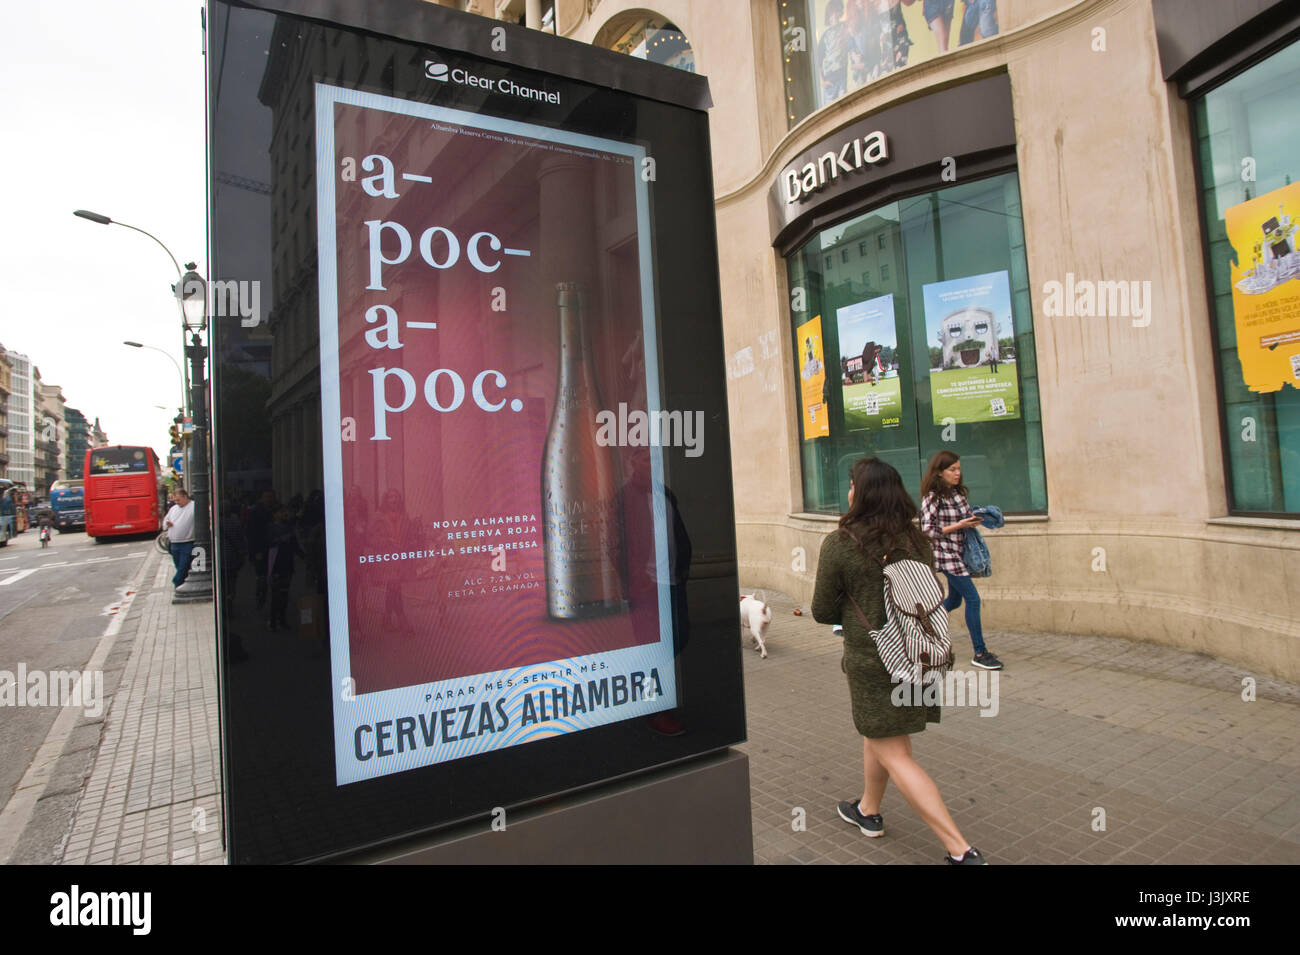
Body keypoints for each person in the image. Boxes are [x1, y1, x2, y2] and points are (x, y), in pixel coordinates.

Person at [813, 457, 987, 864]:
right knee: (884, 737)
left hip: (876, 662)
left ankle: (960, 851)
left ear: (862, 492)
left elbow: (821, 610)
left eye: (852, 484)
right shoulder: (915, 539)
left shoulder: (840, 543)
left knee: (895, 752)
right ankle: (868, 810)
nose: (850, 490)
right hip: (919, 656)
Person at [920, 451, 1003, 669]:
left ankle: (921, 625)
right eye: (952, 470)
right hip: (945, 554)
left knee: (955, 601)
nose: (958, 473)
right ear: (939, 473)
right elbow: (927, 530)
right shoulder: (932, 497)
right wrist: (960, 525)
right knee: (973, 600)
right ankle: (980, 652)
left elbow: (962, 518)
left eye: (959, 468)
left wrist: (974, 519)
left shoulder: (958, 493)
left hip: (960, 551)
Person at [164, 487, 196, 589]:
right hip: (174, 543)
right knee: (179, 566)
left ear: (185, 497)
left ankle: (177, 582)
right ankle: (182, 584)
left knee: (183, 566)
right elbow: (165, 521)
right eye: (175, 500)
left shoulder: (194, 506)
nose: (176, 502)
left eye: (178, 500)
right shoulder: (173, 509)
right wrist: (167, 524)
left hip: (187, 542)